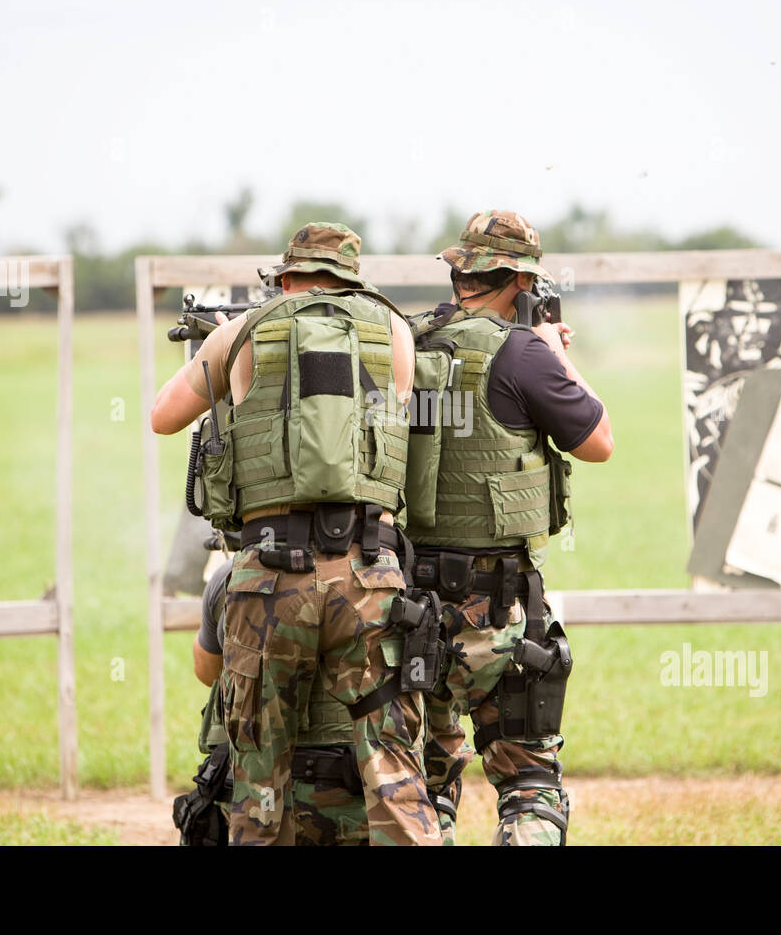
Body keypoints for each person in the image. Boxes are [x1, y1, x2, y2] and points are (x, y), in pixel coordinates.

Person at [151, 221, 439, 846]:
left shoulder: (242, 332)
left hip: (269, 578)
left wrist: (231, 359)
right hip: (371, 570)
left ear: (285, 277)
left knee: (258, 782)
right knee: (393, 770)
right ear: (353, 278)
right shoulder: (394, 332)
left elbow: (162, 416)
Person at [406, 209, 614, 845]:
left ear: (458, 272)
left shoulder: (404, 342)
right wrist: (553, 352)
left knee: (421, 783)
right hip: (497, 605)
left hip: (405, 601)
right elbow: (599, 441)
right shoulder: (525, 352)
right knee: (529, 784)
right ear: (521, 283)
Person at [178, 556, 369, 845]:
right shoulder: (382, 576)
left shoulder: (235, 576)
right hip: (360, 797)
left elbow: (207, 671)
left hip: (257, 800)